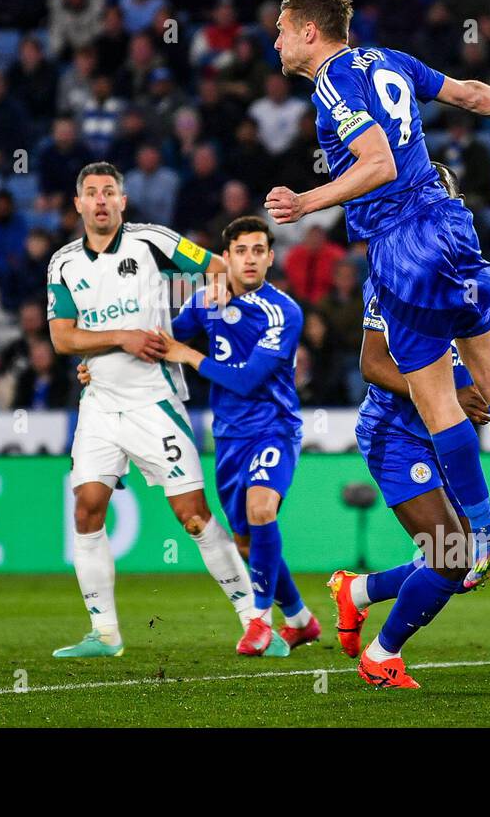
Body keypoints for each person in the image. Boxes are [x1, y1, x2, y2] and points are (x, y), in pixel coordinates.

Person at [264, 0, 490, 587]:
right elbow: (467, 94)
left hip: (402, 242)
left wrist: (307, 201)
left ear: (311, 31)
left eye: (282, 29)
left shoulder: (334, 81)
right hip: (450, 223)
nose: (275, 40)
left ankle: (488, 529)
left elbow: (379, 163)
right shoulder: (388, 59)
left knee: (437, 398)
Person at [46, 161, 255, 659]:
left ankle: (253, 621)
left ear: (123, 201)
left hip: (153, 402)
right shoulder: (63, 263)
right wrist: (121, 338)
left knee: (194, 517)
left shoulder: (151, 242)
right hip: (98, 404)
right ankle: (105, 634)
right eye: (91, 193)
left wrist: (184, 332)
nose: (100, 200)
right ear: (77, 204)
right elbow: (61, 337)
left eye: (109, 192)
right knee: (86, 509)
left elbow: (220, 271)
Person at [328, 161, 490, 689]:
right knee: (454, 557)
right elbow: (373, 365)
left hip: (443, 438)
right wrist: (449, 392)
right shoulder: (394, 279)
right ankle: (381, 656)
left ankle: (357, 592)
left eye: (449, 201)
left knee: (476, 563)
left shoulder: (468, 280)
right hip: (396, 435)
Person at [160, 216, 321, 656]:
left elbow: (249, 380)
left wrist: (190, 356)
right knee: (248, 541)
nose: (249, 259)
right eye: (240, 251)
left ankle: (260, 622)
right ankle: (302, 620)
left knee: (262, 509)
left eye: (258, 251)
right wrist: (98, 366)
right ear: (225, 257)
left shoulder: (284, 311)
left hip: (273, 427)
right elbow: (162, 342)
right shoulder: (203, 301)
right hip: (229, 437)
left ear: (270, 257)